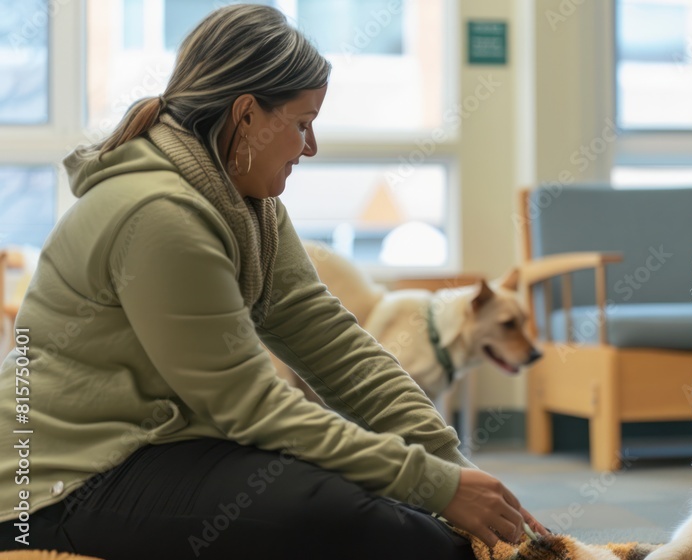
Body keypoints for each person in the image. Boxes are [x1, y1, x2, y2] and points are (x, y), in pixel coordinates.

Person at [0, 5, 546, 558]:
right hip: (53, 486)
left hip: (157, 445)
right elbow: (251, 407)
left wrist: (449, 465)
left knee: (378, 499)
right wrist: (434, 485)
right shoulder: (159, 216)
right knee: (343, 515)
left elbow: (336, 347)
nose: (311, 148)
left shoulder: (247, 201)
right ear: (245, 116)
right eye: (303, 123)